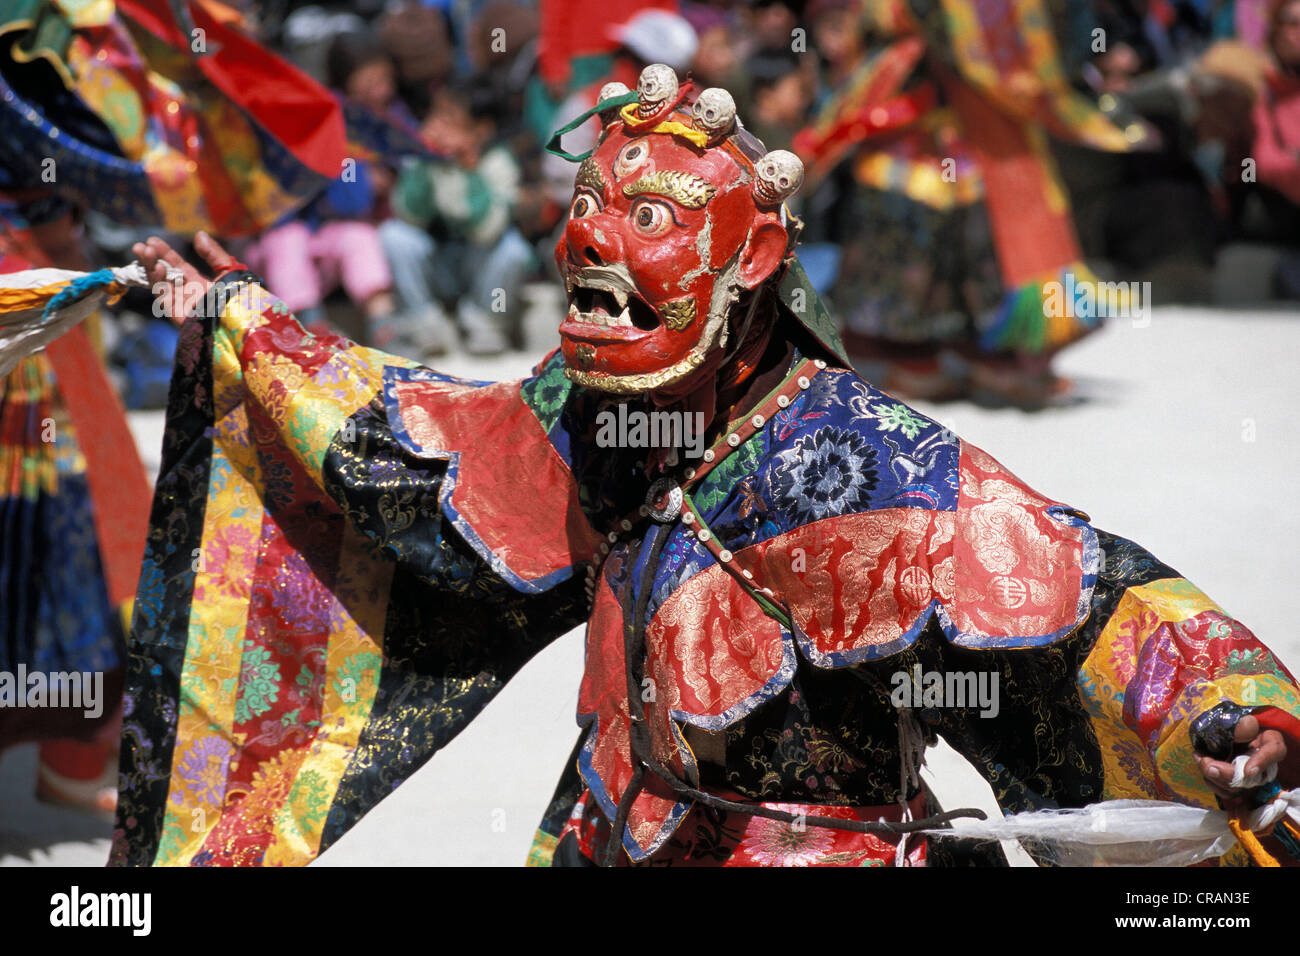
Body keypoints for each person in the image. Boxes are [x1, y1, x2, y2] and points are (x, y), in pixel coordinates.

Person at [110, 66, 1297, 868]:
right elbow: (413, 446)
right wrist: (248, 323)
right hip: (611, 825)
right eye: (588, 205)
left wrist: (1232, 710)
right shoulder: (585, 409)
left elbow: (1088, 602)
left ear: (756, 258)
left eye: (654, 215)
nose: (594, 238)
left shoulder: (867, 460)